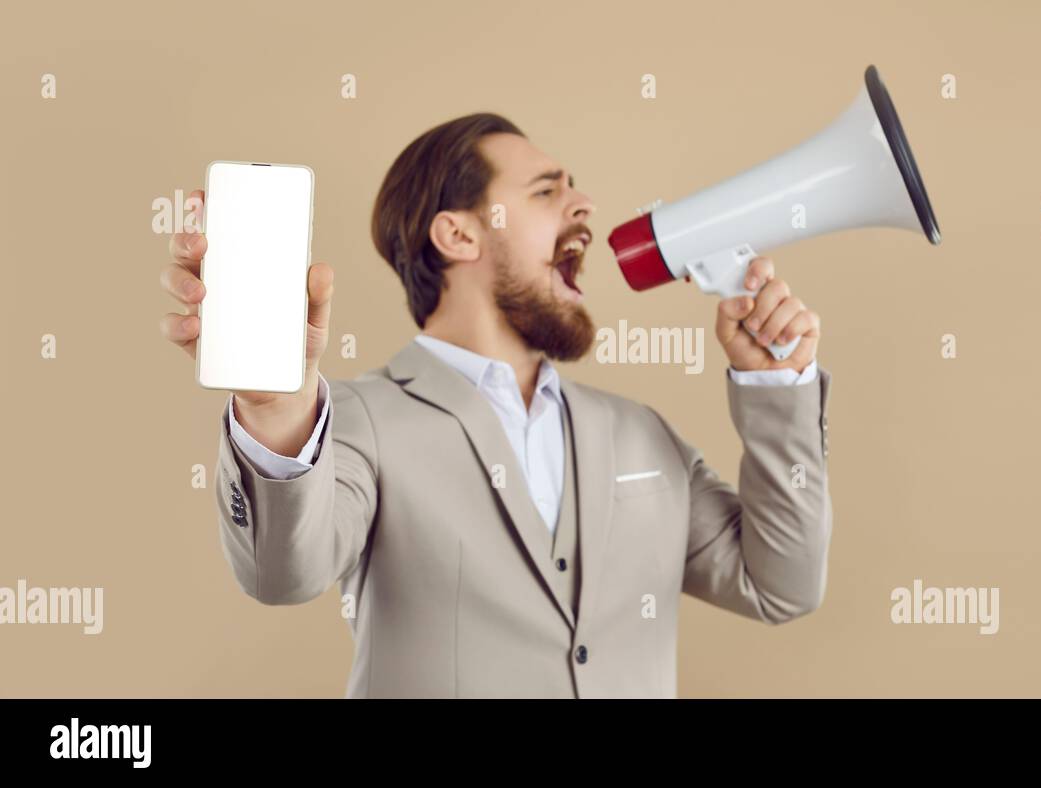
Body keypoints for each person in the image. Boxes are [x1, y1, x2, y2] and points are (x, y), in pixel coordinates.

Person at [158, 113, 833, 698]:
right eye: (547, 190)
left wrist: (777, 386)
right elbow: (283, 574)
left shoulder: (641, 435)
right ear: (457, 236)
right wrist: (275, 409)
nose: (585, 205)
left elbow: (781, 585)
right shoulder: (356, 422)